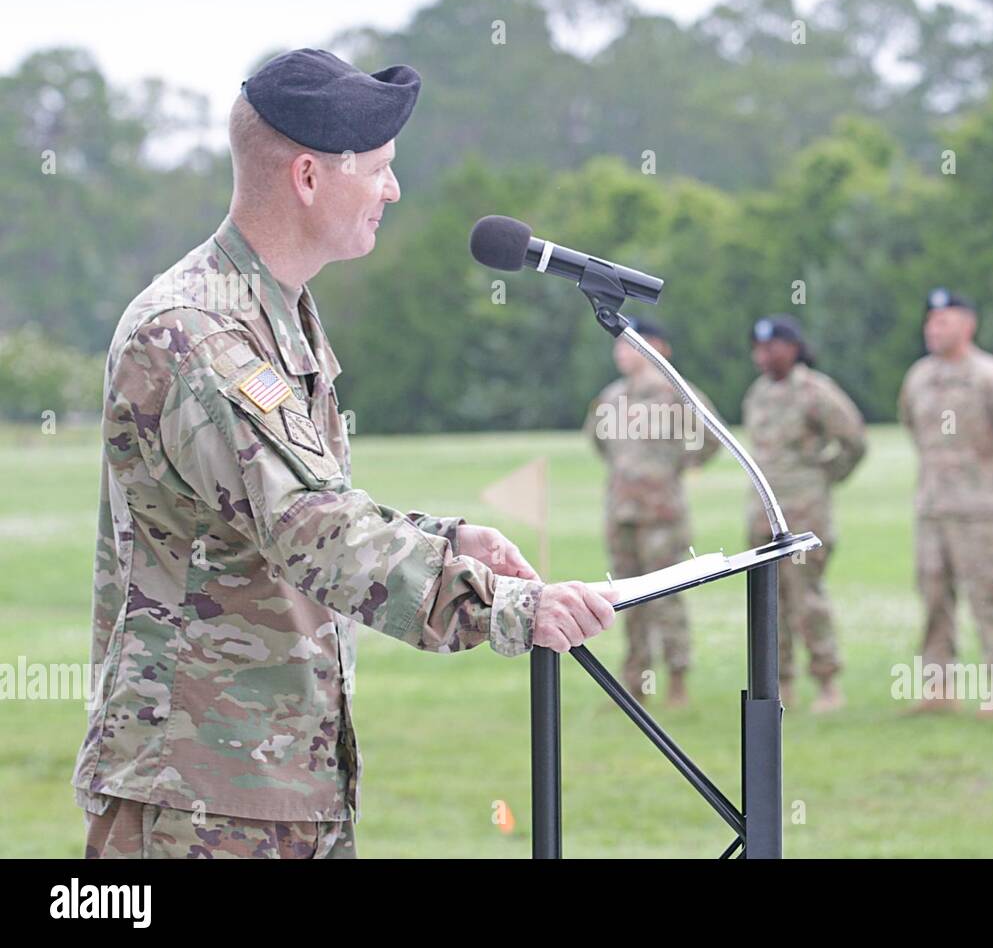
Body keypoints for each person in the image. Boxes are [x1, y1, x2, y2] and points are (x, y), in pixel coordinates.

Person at [74, 48, 616, 859]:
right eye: (381, 170)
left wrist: (444, 543)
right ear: (307, 177)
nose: (393, 191)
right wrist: (506, 608)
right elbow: (309, 526)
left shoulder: (273, 313)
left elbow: (286, 506)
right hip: (197, 797)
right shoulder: (196, 333)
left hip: (269, 779)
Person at [897, 289, 993, 716]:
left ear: (968, 325)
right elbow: (911, 425)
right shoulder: (918, 378)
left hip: (979, 511)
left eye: (944, 320)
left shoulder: (991, 376)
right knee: (934, 599)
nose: (933, 328)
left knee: (989, 597)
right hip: (932, 508)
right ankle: (938, 690)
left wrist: (992, 469)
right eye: (930, 320)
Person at [583, 317, 720, 707]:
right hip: (621, 512)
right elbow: (597, 440)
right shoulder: (611, 397)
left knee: (667, 597)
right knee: (626, 599)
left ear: (657, 347)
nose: (621, 352)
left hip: (662, 514)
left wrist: (680, 466)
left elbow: (711, 437)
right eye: (620, 345)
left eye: (630, 344)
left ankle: (678, 680)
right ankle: (636, 683)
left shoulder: (676, 393)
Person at [743, 315, 865, 712]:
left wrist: (826, 477)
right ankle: (779, 687)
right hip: (763, 517)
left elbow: (853, 441)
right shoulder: (757, 394)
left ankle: (828, 684)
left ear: (793, 348)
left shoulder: (815, 392)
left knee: (807, 601)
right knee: (768, 606)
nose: (763, 356)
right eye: (759, 348)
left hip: (804, 518)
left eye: (772, 347)